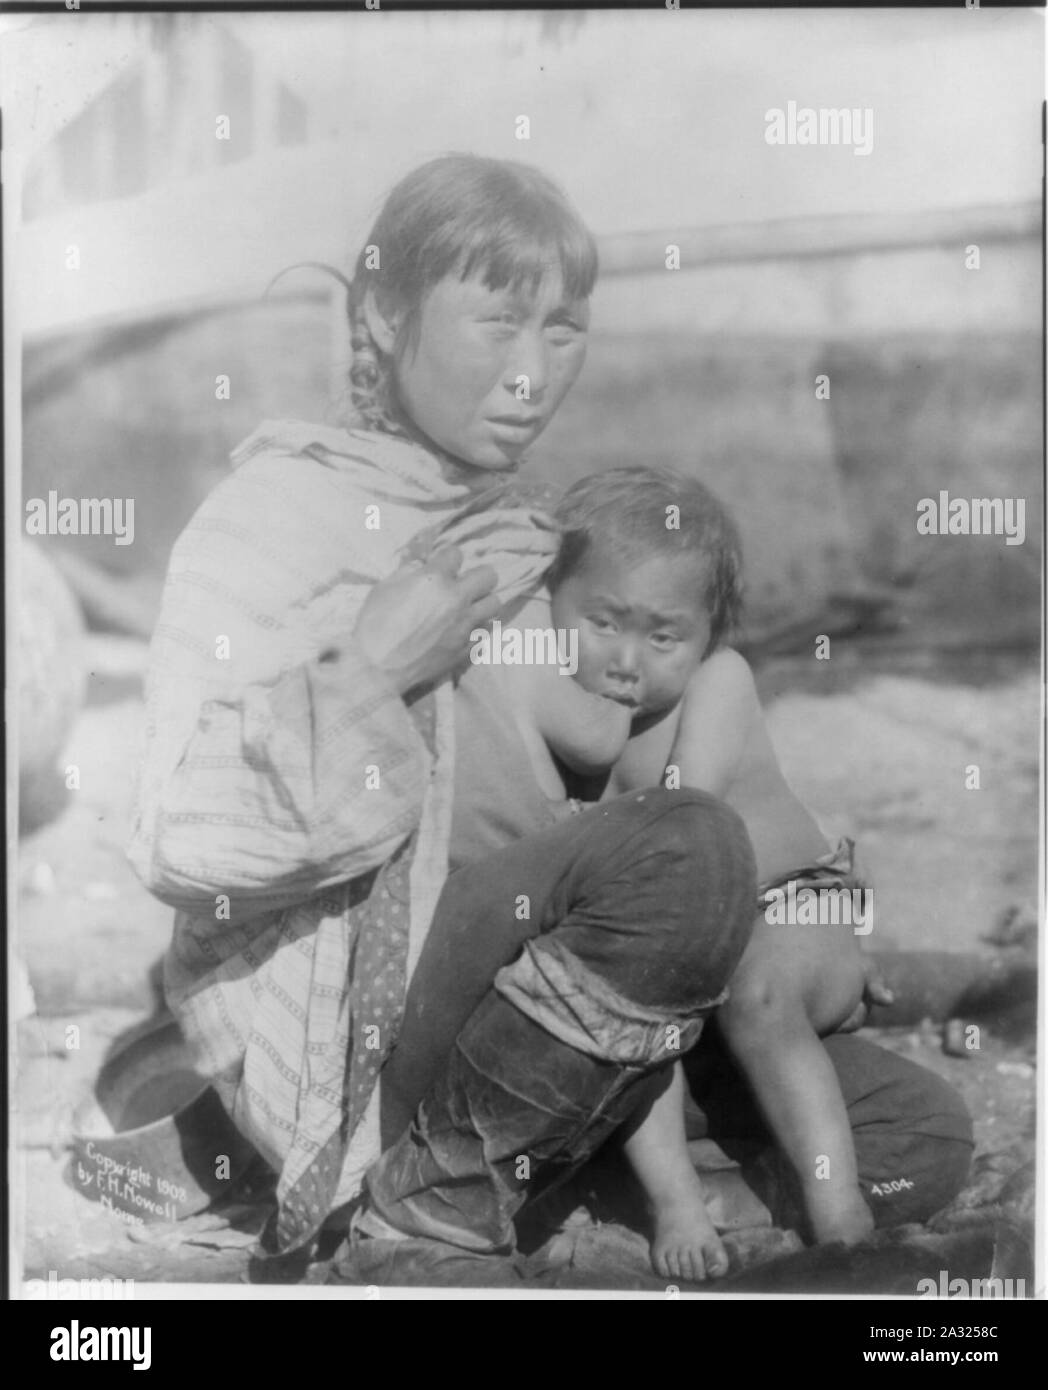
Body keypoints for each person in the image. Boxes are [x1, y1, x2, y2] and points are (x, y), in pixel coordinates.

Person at [127, 154, 760, 1278]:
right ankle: (422, 1204)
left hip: (498, 969)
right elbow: (180, 838)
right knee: (690, 853)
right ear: (381, 311)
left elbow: (582, 769)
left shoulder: (515, 531)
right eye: (497, 324)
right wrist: (370, 668)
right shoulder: (270, 520)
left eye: (563, 331)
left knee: (912, 1134)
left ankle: (503, 1161)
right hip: (346, 1040)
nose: (531, 376)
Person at [381, 465, 973, 1284]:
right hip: (690, 966)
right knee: (639, 1036)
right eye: (602, 623)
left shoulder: (717, 682)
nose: (628, 661)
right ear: (554, 602)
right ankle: (682, 1204)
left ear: (708, 636)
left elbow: (690, 828)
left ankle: (837, 1207)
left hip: (786, 910)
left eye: (663, 637)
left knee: (762, 996)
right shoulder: (578, 720)